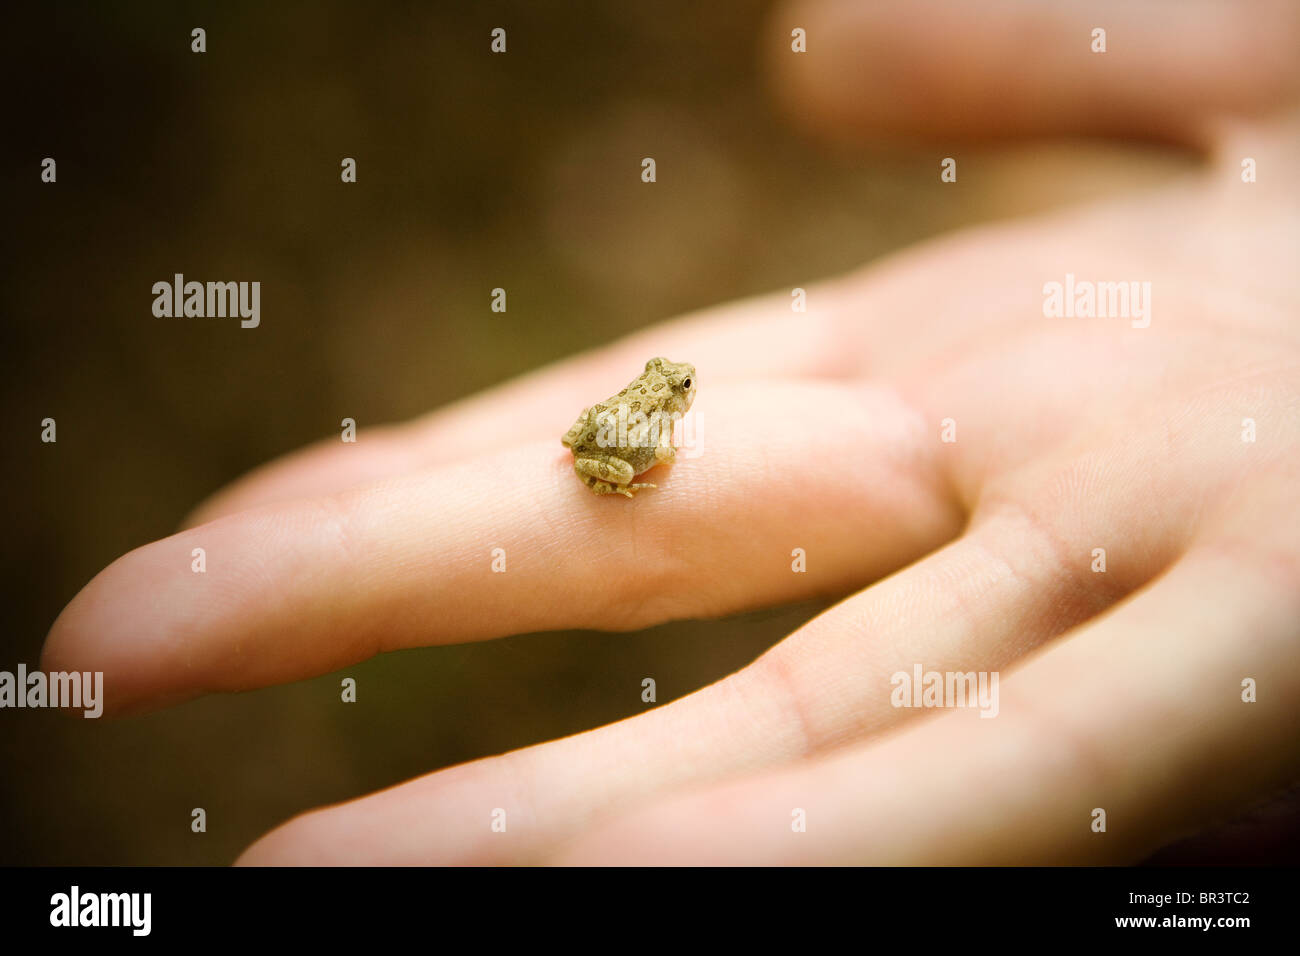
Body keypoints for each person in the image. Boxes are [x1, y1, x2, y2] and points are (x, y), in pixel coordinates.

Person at [43, 0, 1300, 863]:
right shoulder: (645, 422)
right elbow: (615, 445)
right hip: (606, 455)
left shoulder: (660, 408)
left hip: (610, 446)